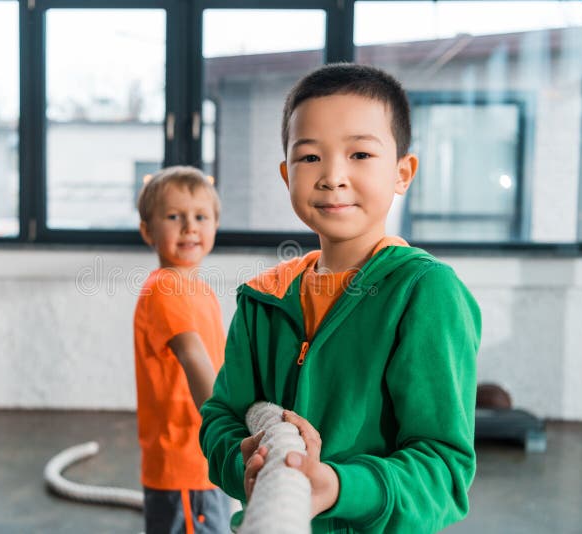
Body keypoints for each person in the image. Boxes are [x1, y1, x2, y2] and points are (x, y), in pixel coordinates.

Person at [199, 63, 482, 533]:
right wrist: (241, 461)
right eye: (310, 158)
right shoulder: (263, 298)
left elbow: (444, 471)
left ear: (402, 172)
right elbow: (221, 418)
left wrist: (337, 486)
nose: (332, 176)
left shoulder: (424, 293)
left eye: (360, 154)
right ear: (287, 173)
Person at [134, 166, 230, 534]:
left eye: (200, 217)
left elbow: (218, 362)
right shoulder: (166, 288)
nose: (190, 226)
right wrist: (228, 430)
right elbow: (193, 358)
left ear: (214, 227)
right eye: (175, 217)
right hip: (186, 465)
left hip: (200, 462)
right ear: (148, 231)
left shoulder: (198, 290)